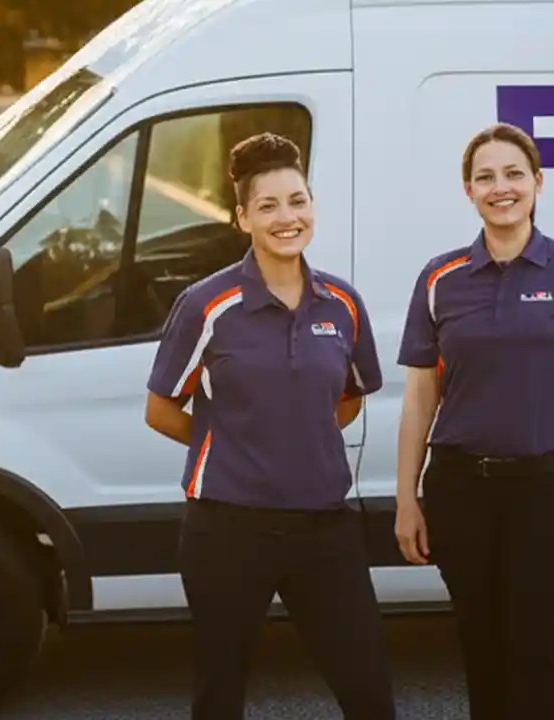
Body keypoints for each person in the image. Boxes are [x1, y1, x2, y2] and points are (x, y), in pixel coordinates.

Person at [145, 132, 396, 720]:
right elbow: (160, 410)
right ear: (242, 219)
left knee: (368, 691)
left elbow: (348, 399)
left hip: (324, 528)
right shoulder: (207, 305)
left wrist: (295, 438)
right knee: (219, 694)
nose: (288, 217)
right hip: (227, 530)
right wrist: (236, 445)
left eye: (298, 201)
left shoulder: (342, 304)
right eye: (269, 206)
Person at [393, 122, 554, 720]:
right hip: (460, 491)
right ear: (467, 190)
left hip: (549, 491)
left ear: (538, 183)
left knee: (534, 653)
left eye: (514, 174)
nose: (501, 187)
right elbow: (420, 398)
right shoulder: (439, 279)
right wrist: (406, 500)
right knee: (482, 650)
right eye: (486, 177)